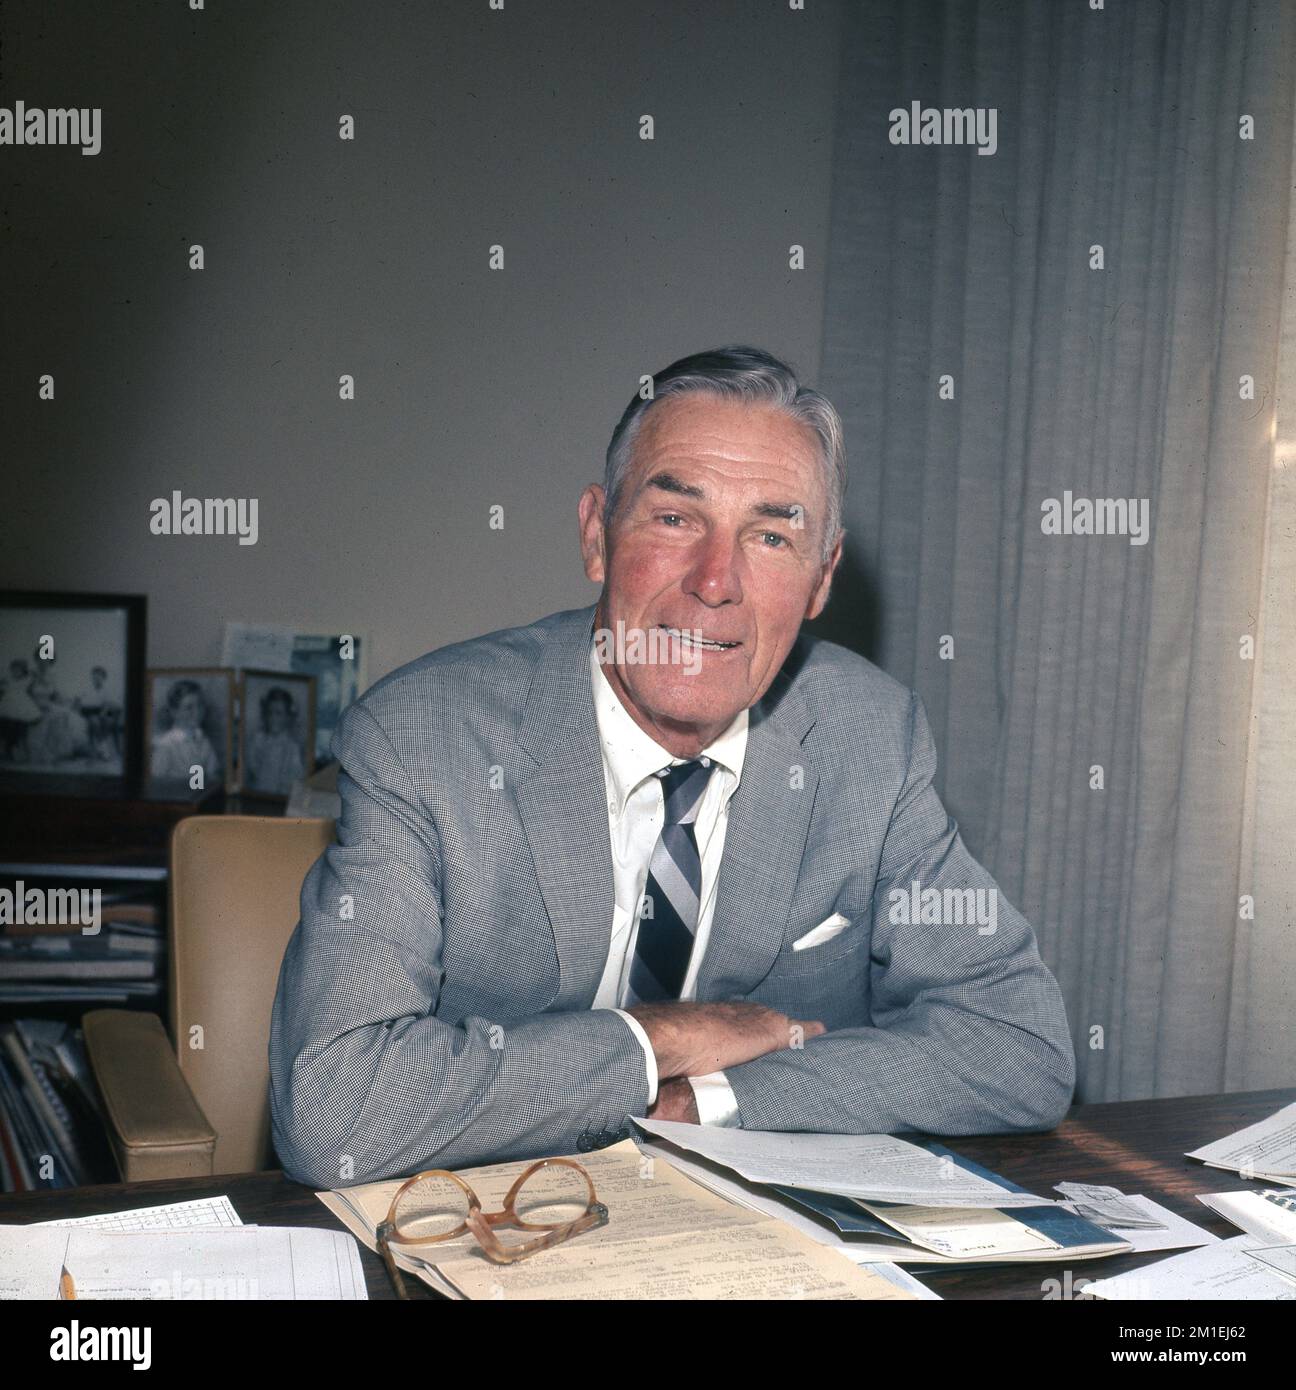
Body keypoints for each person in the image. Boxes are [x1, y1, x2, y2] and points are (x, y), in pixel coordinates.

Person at [269, 345, 1075, 1188]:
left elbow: (1018, 1044)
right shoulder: (425, 739)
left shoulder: (869, 741)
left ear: (820, 579)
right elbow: (337, 1111)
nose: (716, 581)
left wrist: (712, 1098)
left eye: (770, 534)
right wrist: (666, 1041)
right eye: (675, 518)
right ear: (596, 535)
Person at [151, 678, 220, 783]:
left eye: (200, 705)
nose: (197, 712)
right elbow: (156, 782)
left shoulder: (203, 740)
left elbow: (213, 773)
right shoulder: (166, 745)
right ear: (174, 712)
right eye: (189, 708)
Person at [244, 686, 304, 795]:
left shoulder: (292, 747)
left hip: (280, 798)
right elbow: (250, 767)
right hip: (256, 794)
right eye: (270, 712)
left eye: (278, 713)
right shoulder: (258, 740)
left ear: (288, 717)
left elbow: (296, 777)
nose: (273, 718)